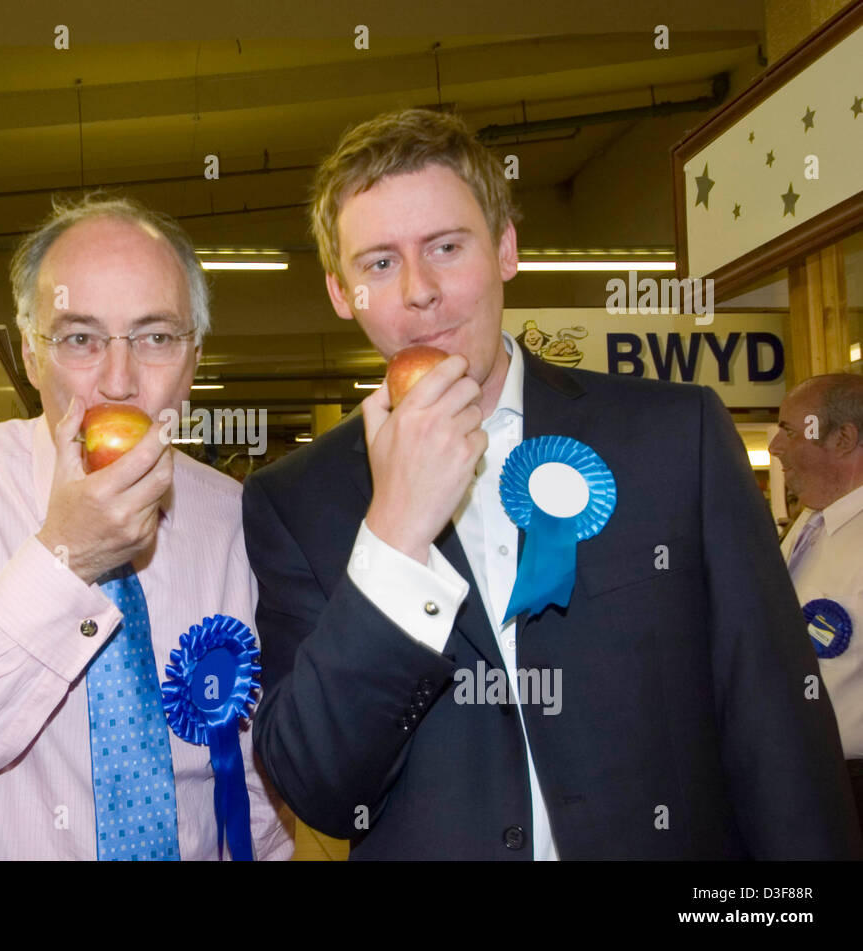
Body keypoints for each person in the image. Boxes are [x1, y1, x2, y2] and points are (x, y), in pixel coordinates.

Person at [244, 107, 861, 859]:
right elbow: (319, 787)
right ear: (342, 293)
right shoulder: (295, 501)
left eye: (446, 245)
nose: (419, 290)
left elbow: (777, 724)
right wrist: (396, 537)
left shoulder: (674, 435)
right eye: (378, 263)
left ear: (506, 248)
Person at [0, 195, 293, 860]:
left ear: (194, 359)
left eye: (154, 337)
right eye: (80, 339)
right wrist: (63, 561)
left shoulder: (239, 518)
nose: (118, 380)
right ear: (31, 355)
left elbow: (254, 788)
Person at [772, 374, 863, 819]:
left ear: (843, 438)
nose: (774, 447)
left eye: (789, 430)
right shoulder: (810, 523)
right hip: (806, 778)